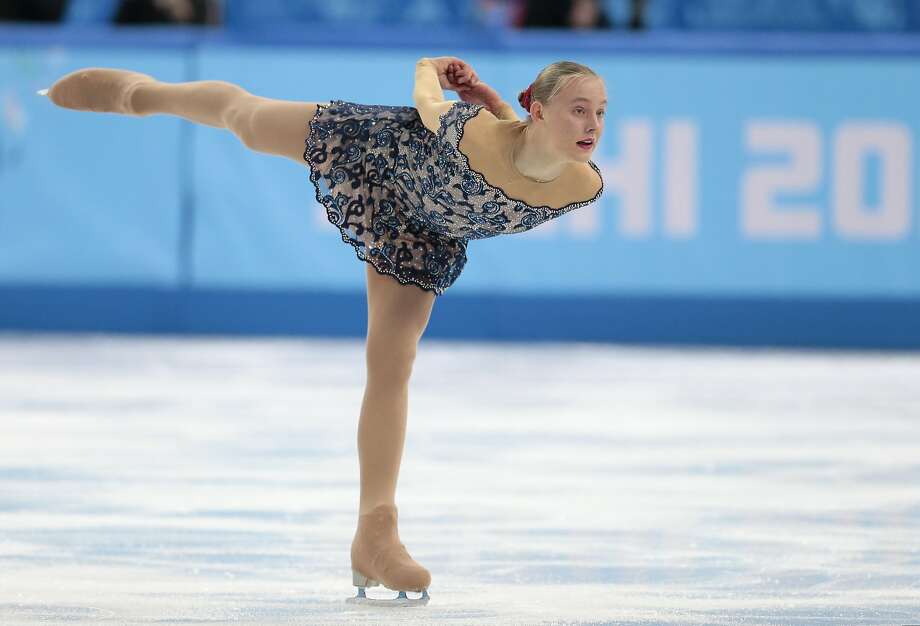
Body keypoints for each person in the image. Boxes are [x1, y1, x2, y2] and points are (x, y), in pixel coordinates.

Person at [38, 55, 605, 605]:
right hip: (378, 154)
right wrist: (429, 67)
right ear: (541, 110)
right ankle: (140, 95)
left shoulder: (582, 185)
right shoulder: (472, 132)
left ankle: (375, 532)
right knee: (248, 121)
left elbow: (522, 148)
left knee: (393, 362)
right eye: (579, 110)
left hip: (422, 233)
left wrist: (492, 99)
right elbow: (430, 104)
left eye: (600, 112)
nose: (593, 125)